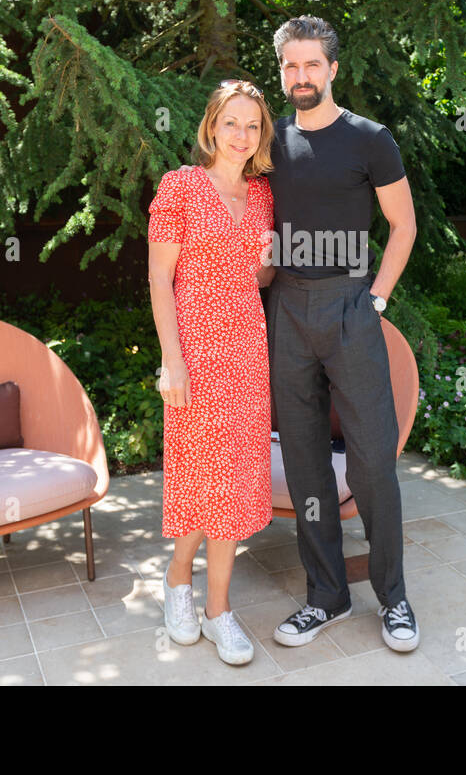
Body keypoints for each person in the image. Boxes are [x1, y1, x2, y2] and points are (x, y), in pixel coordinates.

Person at [263, 15, 421, 652]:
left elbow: (403, 226)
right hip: (286, 309)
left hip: (352, 304)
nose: (300, 77)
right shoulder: (268, 142)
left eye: (311, 65)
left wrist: (376, 300)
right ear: (282, 73)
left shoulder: (369, 139)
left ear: (332, 69)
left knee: (371, 459)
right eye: (290, 66)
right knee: (303, 459)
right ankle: (326, 596)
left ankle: (395, 599)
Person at [146, 79, 277, 666]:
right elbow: (158, 279)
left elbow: (260, 277)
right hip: (195, 351)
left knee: (236, 480)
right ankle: (179, 580)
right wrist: (172, 360)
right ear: (211, 127)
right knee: (202, 477)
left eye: (252, 126)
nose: (241, 136)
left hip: (248, 350)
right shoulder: (180, 187)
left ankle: (219, 610)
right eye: (232, 123)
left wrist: (273, 257)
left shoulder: (263, 197)